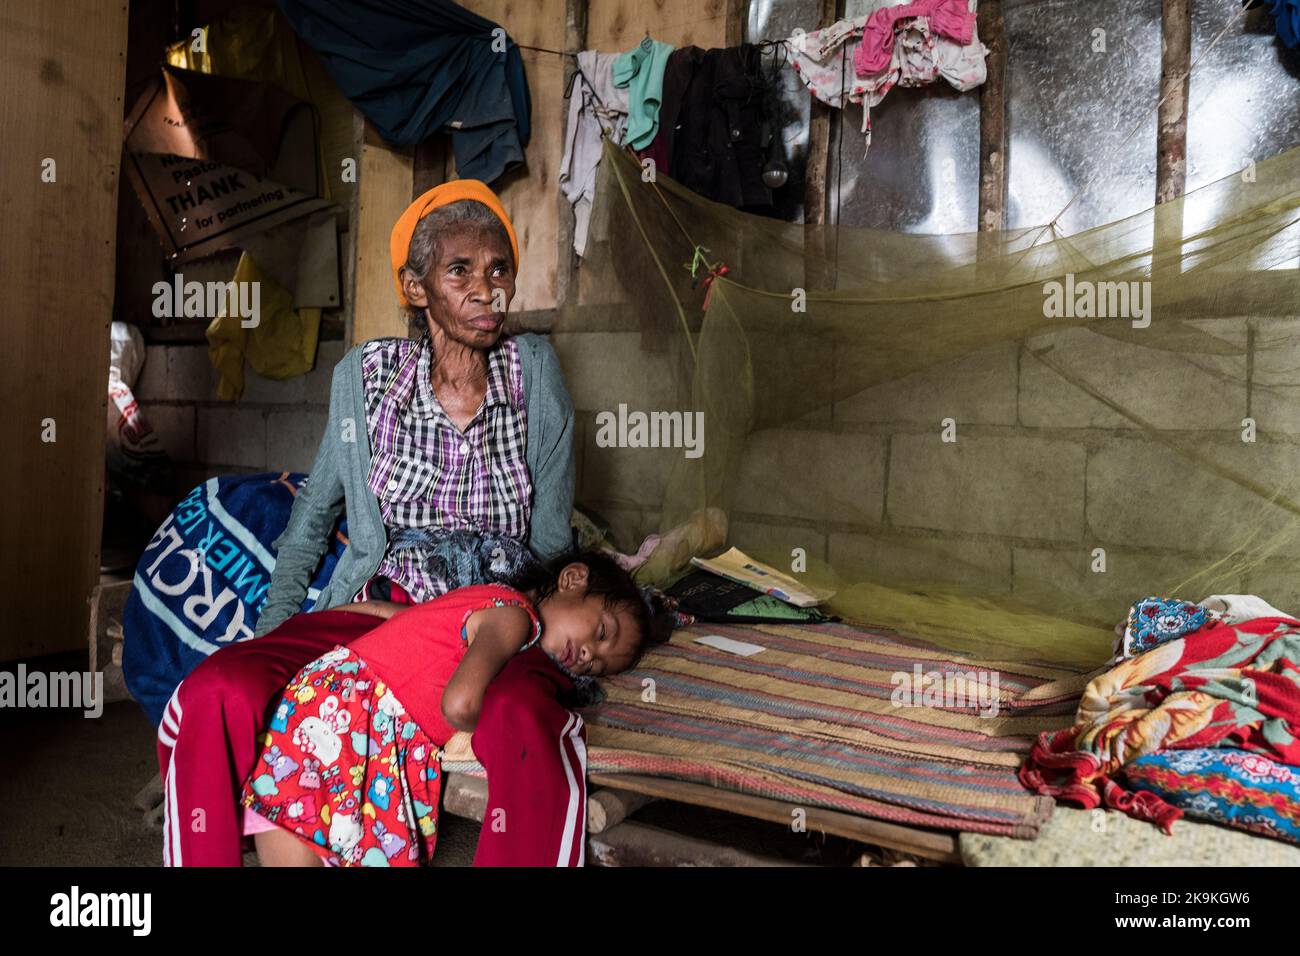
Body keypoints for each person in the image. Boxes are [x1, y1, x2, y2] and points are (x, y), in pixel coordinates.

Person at [156, 179, 583, 866]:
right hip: (382, 608)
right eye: (461, 271)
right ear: (416, 289)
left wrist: (519, 631)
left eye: (500, 268)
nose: (488, 289)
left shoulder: (534, 369)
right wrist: (277, 642)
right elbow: (312, 518)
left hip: (494, 617)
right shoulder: (367, 378)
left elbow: (552, 540)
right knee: (219, 689)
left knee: (525, 721)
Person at [241, 553, 670, 866]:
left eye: (598, 664)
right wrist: (487, 735)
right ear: (573, 579)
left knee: (294, 817)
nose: (588, 656)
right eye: (601, 632)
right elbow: (460, 703)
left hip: (316, 700)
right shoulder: (516, 620)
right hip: (355, 716)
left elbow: (392, 617)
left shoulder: (488, 599)